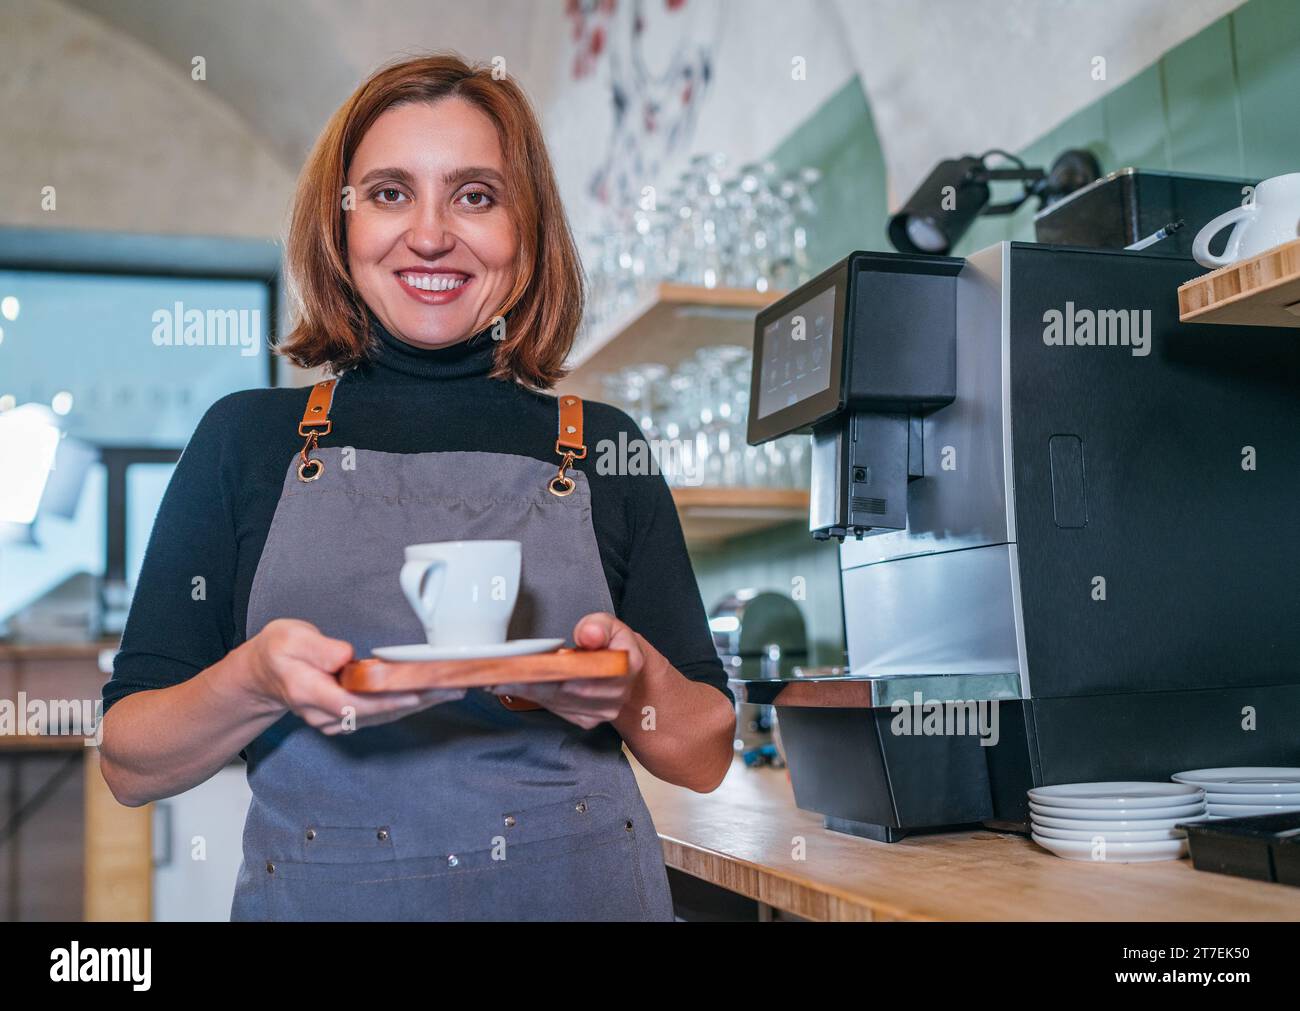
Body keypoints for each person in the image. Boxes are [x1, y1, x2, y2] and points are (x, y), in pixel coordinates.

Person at [98, 52, 736, 922]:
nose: (431, 235)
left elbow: (702, 754)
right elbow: (130, 762)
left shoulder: (602, 447)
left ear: (527, 226)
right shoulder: (246, 441)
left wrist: (628, 686)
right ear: (341, 223)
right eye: (391, 193)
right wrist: (256, 680)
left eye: (476, 195)